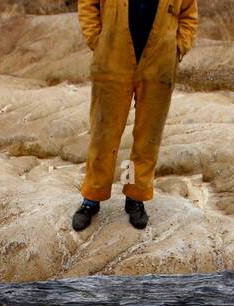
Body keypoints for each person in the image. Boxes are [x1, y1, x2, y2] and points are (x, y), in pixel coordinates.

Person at [72, 0, 199, 231]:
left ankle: (135, 197)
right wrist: (97, 41)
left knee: (148, 135)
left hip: (159, 62)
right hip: (112, 58)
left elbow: (189, 14)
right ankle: (92, 198)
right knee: (103, 132)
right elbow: (88, 4)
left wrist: (178, 47)